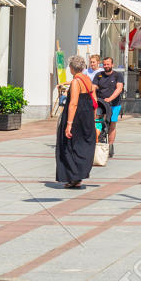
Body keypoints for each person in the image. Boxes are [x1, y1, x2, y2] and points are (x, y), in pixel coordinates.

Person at [56, 55, 97, 190]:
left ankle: (73, 176)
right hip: (87, 115)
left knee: (68, 145)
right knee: (82, 145)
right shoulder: (87, 79)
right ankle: (77, 177)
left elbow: (73, 103)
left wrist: (69, 124)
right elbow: (94, 99)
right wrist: (93, 117)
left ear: (72, 68)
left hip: (76, 117)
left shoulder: (76, 82)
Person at [92, 56, 125, 157]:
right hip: (101, 103)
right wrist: (94, 99)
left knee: (112, 125)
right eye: (104, 64)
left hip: (114, 104)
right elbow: (93, 87)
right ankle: (97, 141)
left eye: (108, 64)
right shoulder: (98, 75)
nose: (106, 66)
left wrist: (110, 98)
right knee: (97, 121)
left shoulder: (118, 75)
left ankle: (110, 145)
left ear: (112, 65)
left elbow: (119, 89)